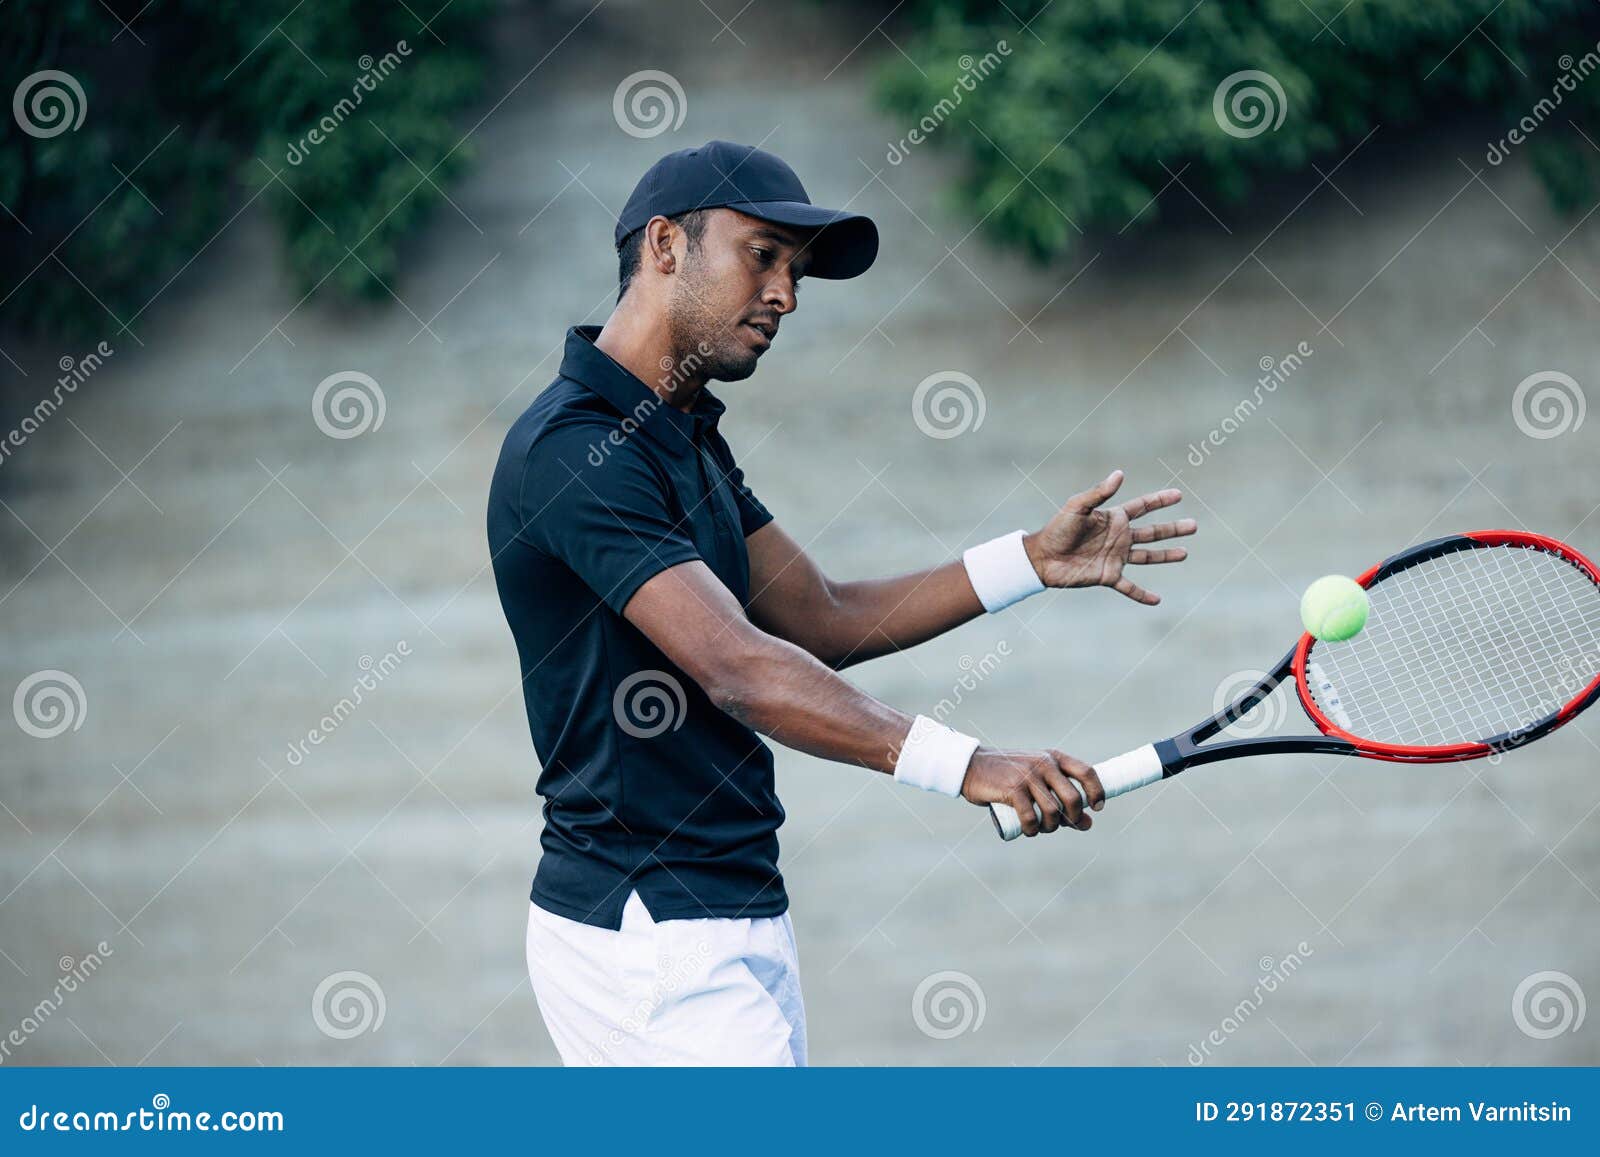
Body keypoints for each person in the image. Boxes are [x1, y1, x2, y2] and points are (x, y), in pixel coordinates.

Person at [486, 140, 1196, 1066]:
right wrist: (968, 763)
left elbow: (819, 616)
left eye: (796, 270)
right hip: (645, 928)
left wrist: (1028, 560)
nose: (785, 294)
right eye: (762, 255)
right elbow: (739, 666)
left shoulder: (680, 436)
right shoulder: (577, 451)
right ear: (664, 245)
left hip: (731, 904)